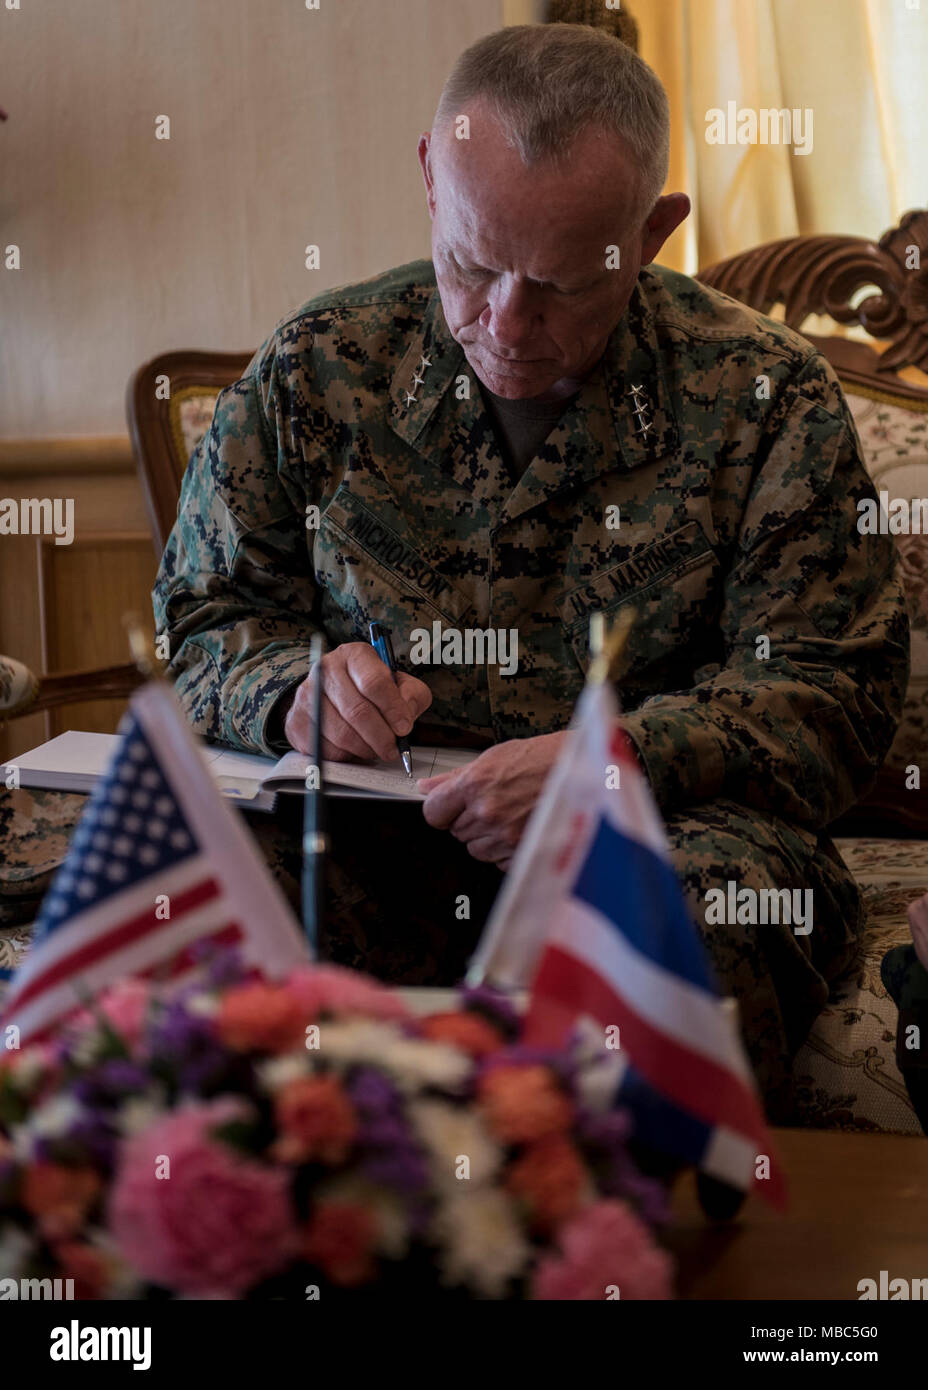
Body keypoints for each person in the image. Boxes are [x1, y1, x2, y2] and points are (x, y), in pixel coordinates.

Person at [153, 23, 909, 1120]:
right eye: (473, 262)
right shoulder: (315, 371)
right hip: (375, 832)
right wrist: (287, 690)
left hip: (664, 833)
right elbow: (204, 619)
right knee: (192, 901)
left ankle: (590, 1256)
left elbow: (835, 698)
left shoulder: (762, 396)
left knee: (687, 919)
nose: (506, 323)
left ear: (653, 233)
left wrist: (606, 766)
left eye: (559, 284)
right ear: (427, 175)